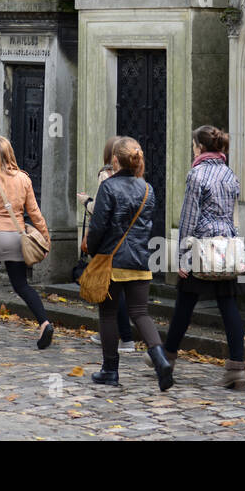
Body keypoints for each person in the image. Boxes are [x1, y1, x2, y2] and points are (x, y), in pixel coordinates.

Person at [162, 126, 245, 390]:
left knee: (184, 307)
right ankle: (237, 367)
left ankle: (166, 359)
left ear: (199, 147)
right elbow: (231, 213)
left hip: (201, 247)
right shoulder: (230, 174)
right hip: (225, 246)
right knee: (228, 305)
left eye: (193, 145)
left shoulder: (197, 175)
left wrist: (183, 257)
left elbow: (189, 219)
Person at [85, 137, 173, 391]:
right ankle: (160, 360)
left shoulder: (109, 188)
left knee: (109, 314)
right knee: (140, 313)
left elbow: (99, 226)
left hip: (113, 260)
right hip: (140, 260)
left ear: (115, 160)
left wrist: (93, 251)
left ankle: (110, 370)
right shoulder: (148, 188)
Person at [0, 135, 53, 348]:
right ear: (10, 154)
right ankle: (44, 322)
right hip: (16, 237)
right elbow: (34, 213)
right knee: (21, 284)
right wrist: (46, 239)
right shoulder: (24, 179)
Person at [77, 136, 140, 355]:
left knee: (111, 292)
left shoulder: (106, 175)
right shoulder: (138, 179)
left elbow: (102, 211)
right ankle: (111, 333)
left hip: (110, 243)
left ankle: (123, 339)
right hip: (131, 241)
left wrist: (86, 201)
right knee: (119, 294)